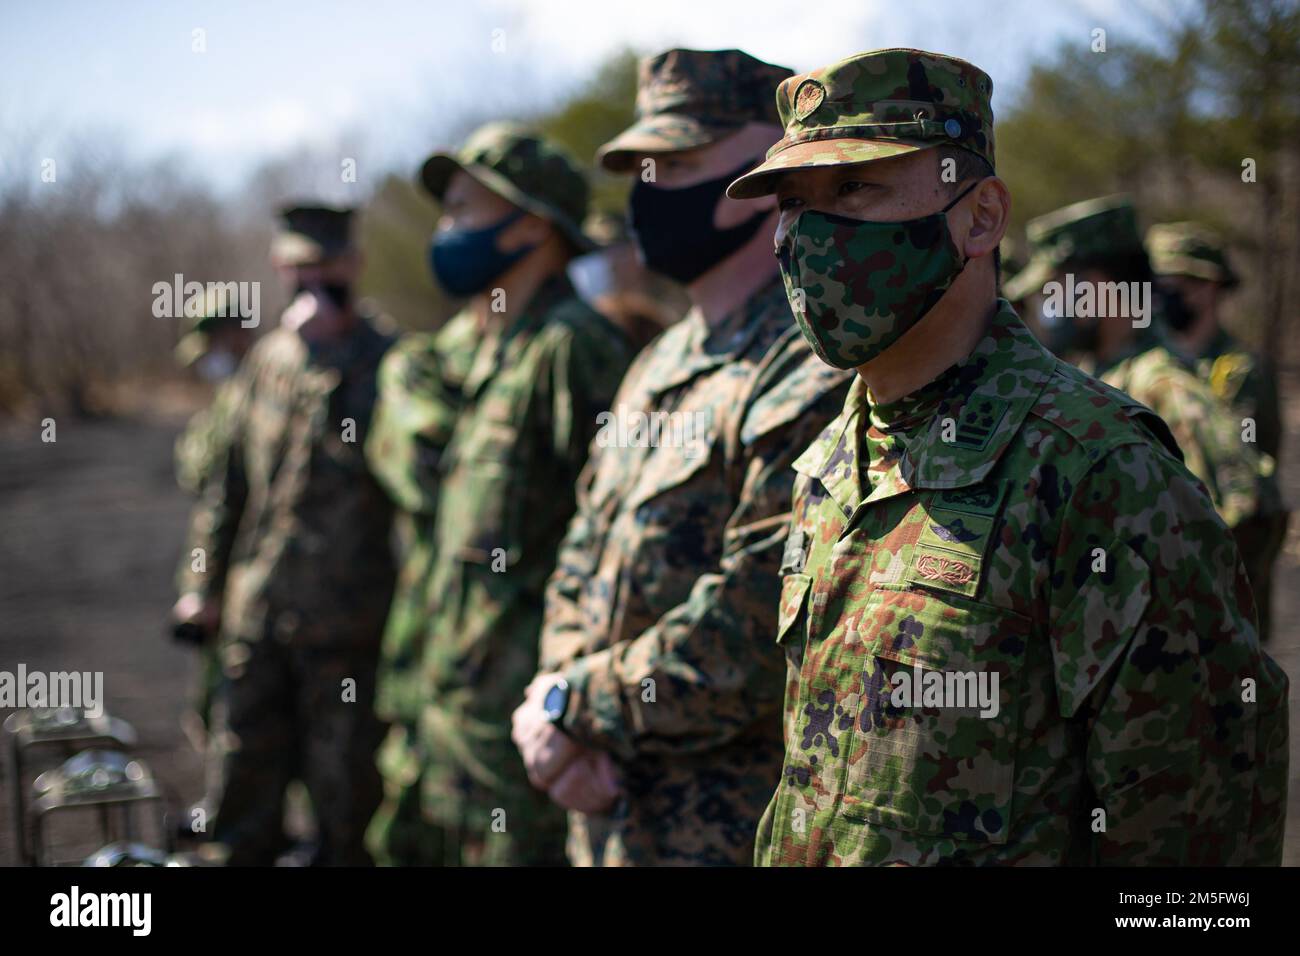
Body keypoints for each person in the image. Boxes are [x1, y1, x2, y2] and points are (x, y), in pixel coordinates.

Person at [724, 48, 1287, 865]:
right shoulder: (831, 464)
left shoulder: (1100, 473)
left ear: (981, 217)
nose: (801, 237)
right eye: (789, 202)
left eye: (854, 188)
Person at [511, 48, 852, 866]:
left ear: (773, 164)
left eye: (682, 163)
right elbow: (581, 554)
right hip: (607, 817)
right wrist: (557, 712)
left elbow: (760, 615)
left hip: (733, 831)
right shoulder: (656, 362)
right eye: (642, 168)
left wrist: (573, 704)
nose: (651, 191)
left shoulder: (816, 358)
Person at [400, 123, 636, 866]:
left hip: (530, 729)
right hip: (457, 718)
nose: (446, 231)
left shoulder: (573, 347)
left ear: (531, 224)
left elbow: (618, 544)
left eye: (464, 211)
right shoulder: (491, 351)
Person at [173, 203, 396, 865]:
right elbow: (227, 492)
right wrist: (200, 588)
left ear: (353, 266)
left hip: (348, 630)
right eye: (299, 267)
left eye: (326, 266)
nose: (313, 280)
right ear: (279, 268)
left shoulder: (389, 361)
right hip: (256, 619)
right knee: (241, 791)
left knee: (346, 803)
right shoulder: (266, 361)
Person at [1008, 196, 1279, 635]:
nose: (1047, 305)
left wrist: (1171, 624)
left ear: (1095, 286)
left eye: (1055, 286)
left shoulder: (1165, 387)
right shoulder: (1096, 375)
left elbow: (1247, 507)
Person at [1147, 220, 1288, 640]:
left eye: (1178, 283)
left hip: (1220, 588)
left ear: (1210, 287)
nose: (1165, 295)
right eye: (1158, 283)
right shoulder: (1145, 363)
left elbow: (1242, 486)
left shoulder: (1237, 373)